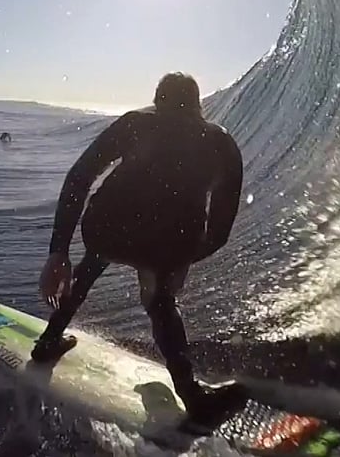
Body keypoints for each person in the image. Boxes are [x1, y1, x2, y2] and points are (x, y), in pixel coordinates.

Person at [31, 72, 245, 426]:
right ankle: (192, 395)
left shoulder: (136, 124)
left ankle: (48, 340)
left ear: (157, 100)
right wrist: (184, 260)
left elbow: (79, 178)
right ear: (199, 105)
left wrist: (59, 252)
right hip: (169, 245)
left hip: (105, 231)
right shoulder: (223, 144)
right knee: (160, 303)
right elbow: (220, 230)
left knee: (89, 267)